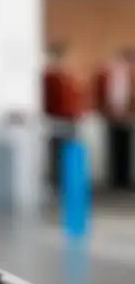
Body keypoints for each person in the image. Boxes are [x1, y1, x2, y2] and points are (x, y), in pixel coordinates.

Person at [44, 44, 88, 189]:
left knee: (71, 149)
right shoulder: (50, 76)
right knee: (56, 149)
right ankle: (56, 180)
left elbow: (75, 97)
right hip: (57, 117)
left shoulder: (68, 76)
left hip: (70, 117)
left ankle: (69, 180)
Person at [96, 49, 135, 189]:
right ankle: (115, 179)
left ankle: (125, 179)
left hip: (127, 115)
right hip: (111, 115)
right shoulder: (109, 74)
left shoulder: (130, 75)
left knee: (127, 147)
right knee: (114, 146)